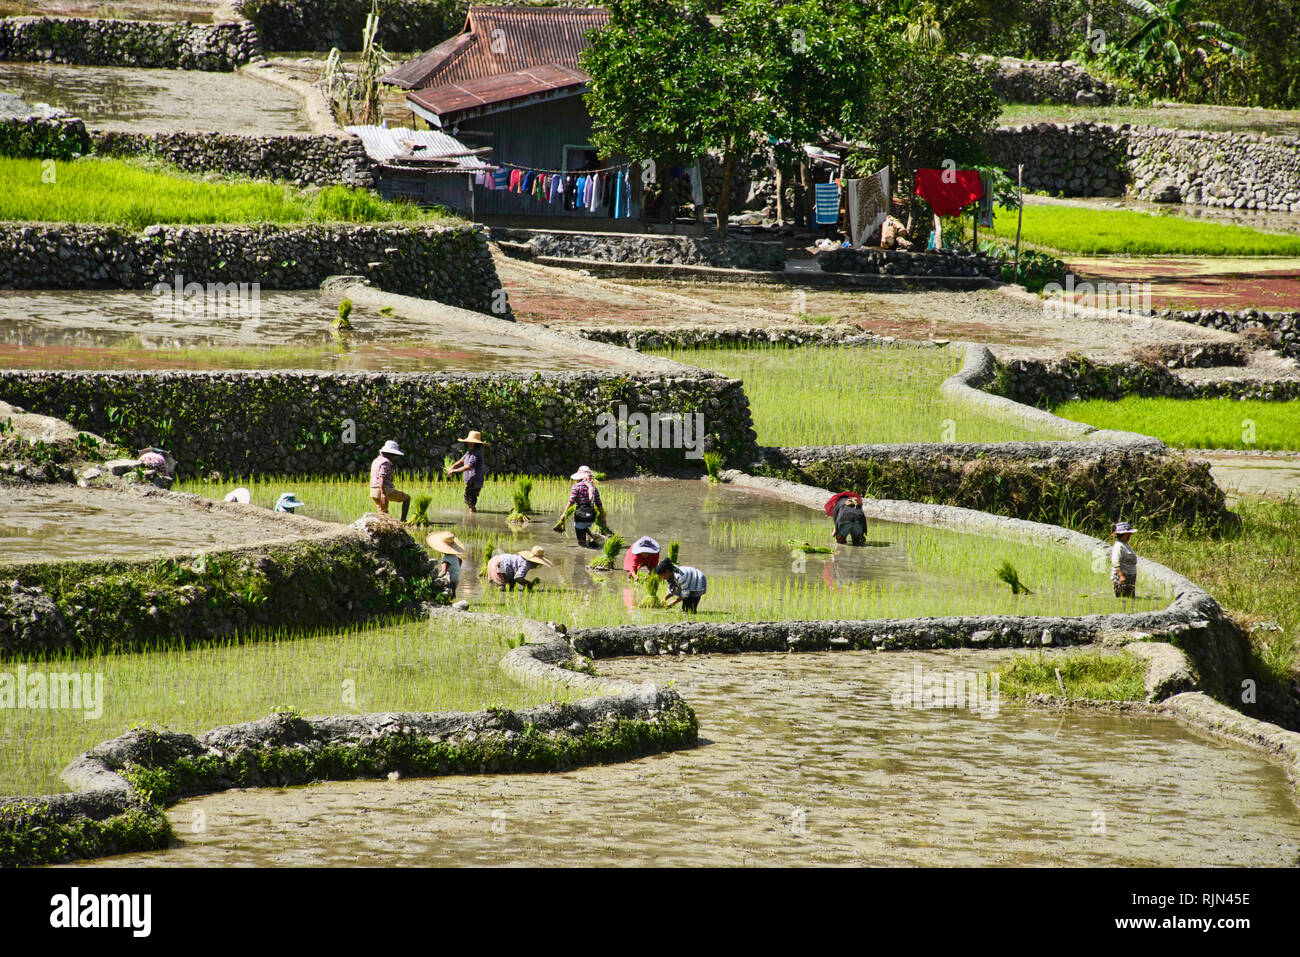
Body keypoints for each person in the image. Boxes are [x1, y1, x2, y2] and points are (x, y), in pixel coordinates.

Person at [553, 465, 606, 547]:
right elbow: (599, 503)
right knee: (586, 528)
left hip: (580, 516)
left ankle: (583, 552)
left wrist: (564, 513)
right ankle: (593, 537)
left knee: (581, 543)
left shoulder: (576, 487)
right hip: (591, 516)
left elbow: (571, 501)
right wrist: (603, 517)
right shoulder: (593, 487)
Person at [445, 430, 487, 513]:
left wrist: (454, 471)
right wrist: (452, 466)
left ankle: (472, 517)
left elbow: (468, 466)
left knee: (471, 501)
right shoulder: (469, 452)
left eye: (472, 442)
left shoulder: (477, 454)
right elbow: (461, 461)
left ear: (477, 443)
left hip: (475, 481)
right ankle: (471, 514)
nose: (470, 443)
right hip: (471, 481)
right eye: (469, 442)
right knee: (467, 499)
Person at [370, 439, 409, 521]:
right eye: (394, 455)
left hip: (373, 491)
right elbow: (381, 478)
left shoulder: (376, 460)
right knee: (407, 498)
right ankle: (403, 521)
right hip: (383, 490)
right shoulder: (386, 463)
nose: (394, 457)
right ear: (390, 454)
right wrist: (383, 493)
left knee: (383, 514)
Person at [486, 545, 553, 592]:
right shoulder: (526, 564)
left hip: (494, 560)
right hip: (498, 564)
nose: (537, 566)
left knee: (511, 586)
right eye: (538, 564)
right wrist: (528, 584)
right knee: (501, 588)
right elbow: (518, 578)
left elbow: (513, 572)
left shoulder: (521, 559)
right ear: (535, 562)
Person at [427, 531, 467, 599]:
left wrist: (435, 578)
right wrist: (456, 571)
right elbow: (460, 560)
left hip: (450, 581)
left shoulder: (447, 559)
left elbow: (443, 571)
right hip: (456, 580)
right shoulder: (454, 556)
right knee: (452, 596)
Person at [1111, 521, 1138, 598]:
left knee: (1130, 598)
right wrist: (1121, 576)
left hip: (1129, 576)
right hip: (1123, 577)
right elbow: (1115, 562)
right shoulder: (1118, 546)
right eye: (1128, 534)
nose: (1130, 535)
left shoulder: (1125, 545)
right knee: (1124, 599)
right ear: (1122, 534)